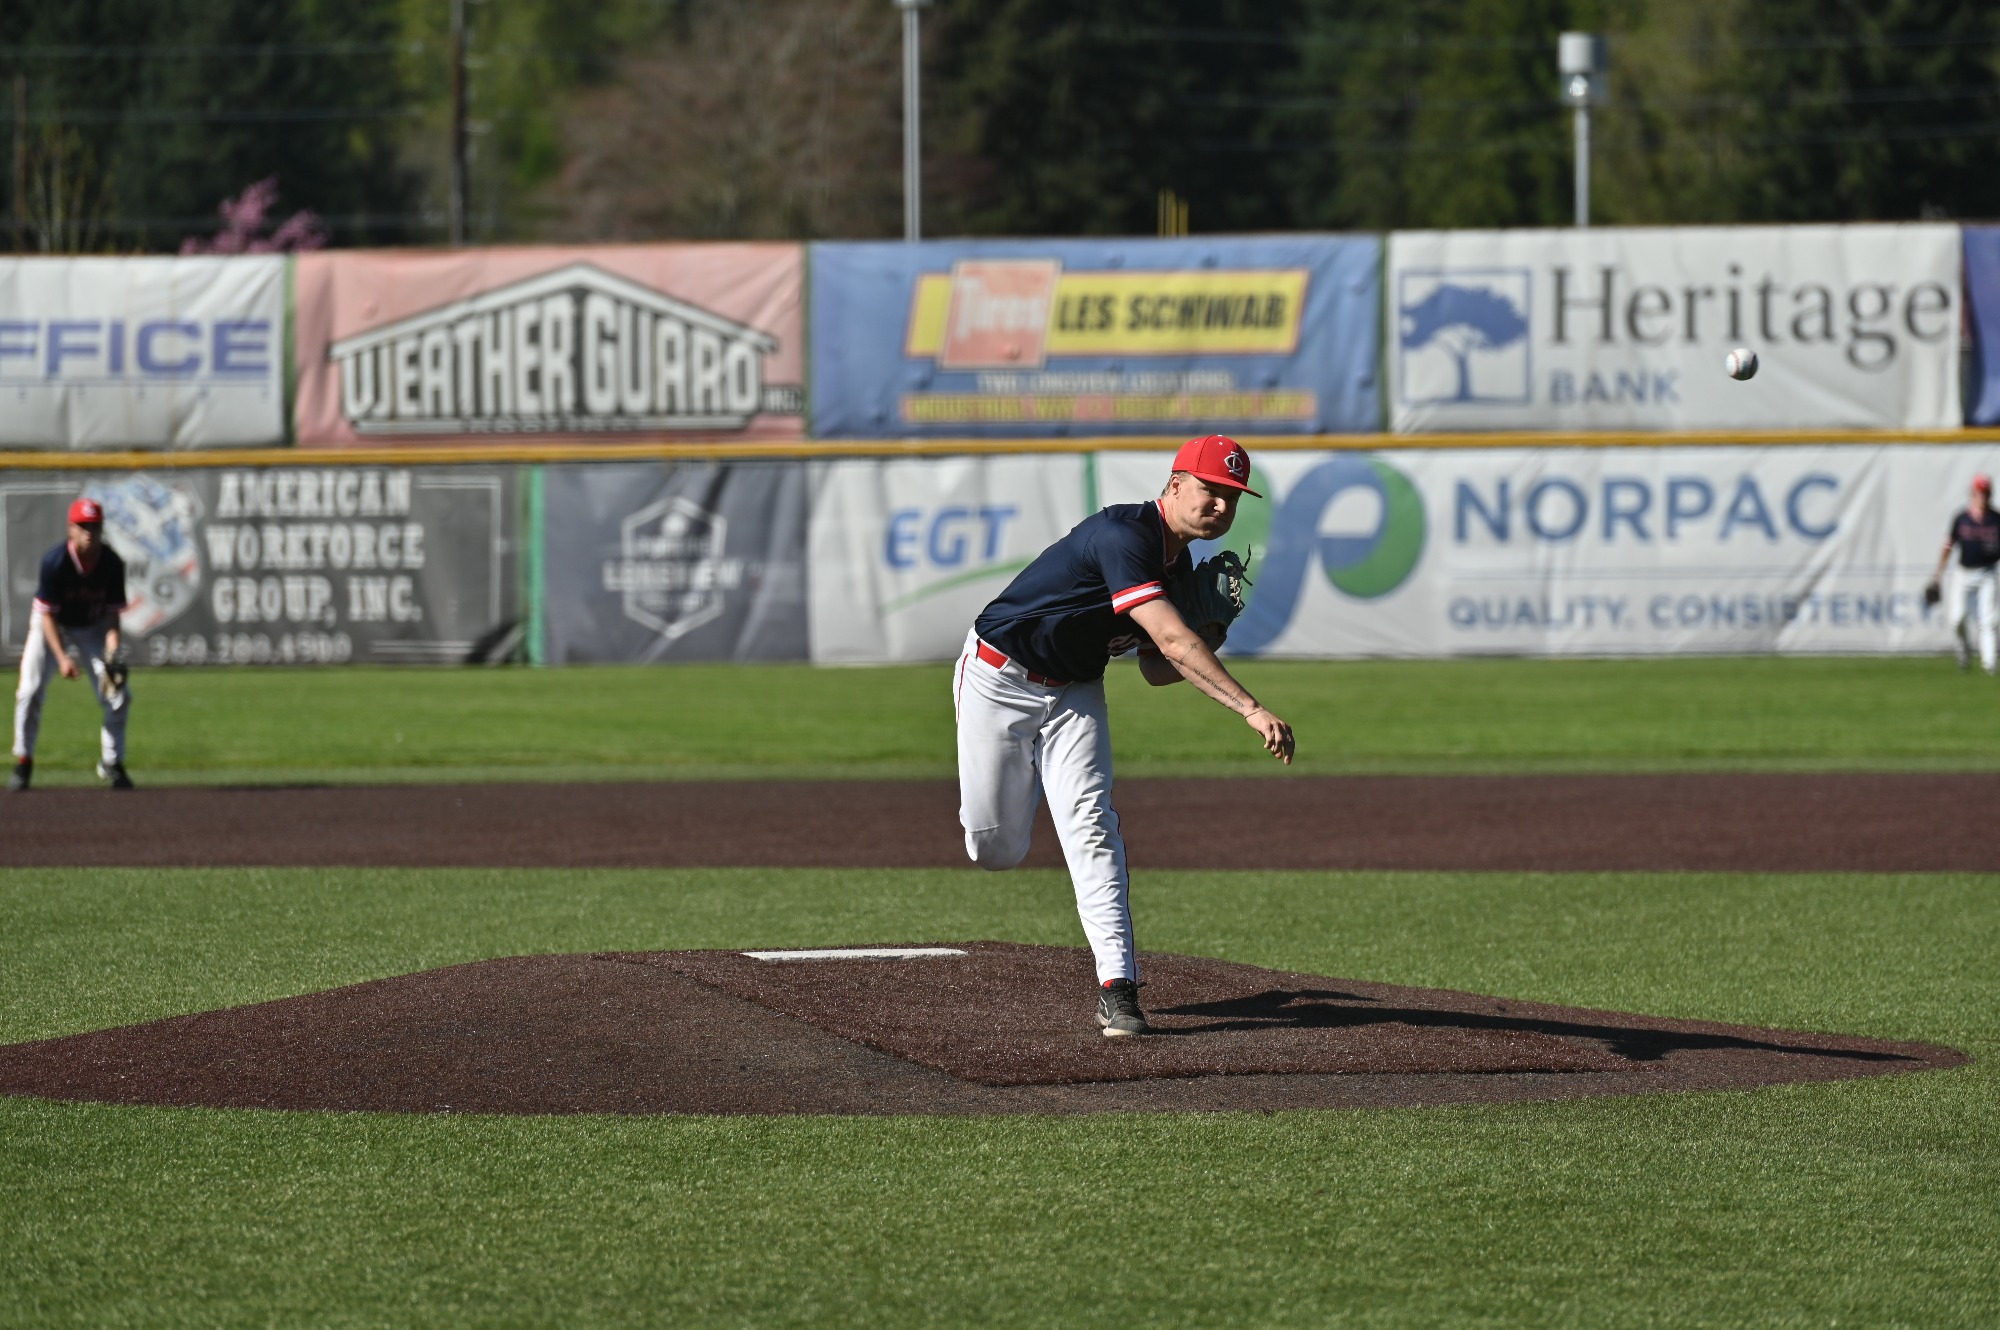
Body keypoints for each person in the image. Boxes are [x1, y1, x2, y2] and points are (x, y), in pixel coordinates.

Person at [953, 434, 1294, 1037]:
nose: (1221, 505)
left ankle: (1119, 989)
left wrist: (1211, 630)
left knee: (1092, 826)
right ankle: (1026, 778)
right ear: (1175, 484)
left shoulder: (1177, 564)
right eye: (1211, 489)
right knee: (996, 849)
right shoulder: (1124, 536)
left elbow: (1155, 670)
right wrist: (1249, 707)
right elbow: (1172, 644)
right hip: (998, 678)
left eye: (1233, 497)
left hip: (1074, 690)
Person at [11, 497, 134, 791]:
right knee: (29, 691)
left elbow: (112, 614)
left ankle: (112, 763)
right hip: (51, 626)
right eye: (83, 525)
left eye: (94, 525)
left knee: (119, 696)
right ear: (71, 529)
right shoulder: (55, 562)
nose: (89, 532)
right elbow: (47, 616)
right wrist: (62, 657)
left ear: (102, 528)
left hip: (93, 627)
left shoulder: (111, 563)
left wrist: (112, 648)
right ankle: (24, 761)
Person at [1926, 474, 2000, 675]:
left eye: (1985, 493)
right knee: (1957, 619)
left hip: (1987, 573)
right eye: (1979, 492)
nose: (1982, 497)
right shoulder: (1962, 518)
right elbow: (1948, 546)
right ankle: (1964, 654)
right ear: (1972, 493)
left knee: (1988, 620)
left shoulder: (1996, 519)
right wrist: (1937, 575)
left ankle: (1989, 664)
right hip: (1964, 572)